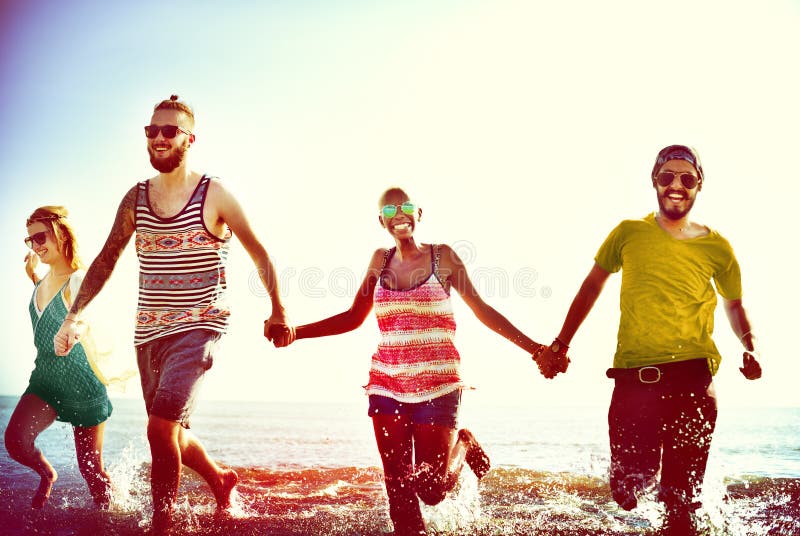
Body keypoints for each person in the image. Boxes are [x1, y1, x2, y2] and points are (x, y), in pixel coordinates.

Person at [53, 95, 292, 531]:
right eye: (152, 130)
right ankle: (220, 478)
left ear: (189, 139)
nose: (159, 138)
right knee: (173, 430)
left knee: (160, 432)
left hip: (200, 326)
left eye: (169, 131)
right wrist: (74, 316)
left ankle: (161, 527)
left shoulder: (214, 193)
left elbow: (259, 252)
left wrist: (278, 308)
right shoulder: (136, 198)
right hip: (149, 333)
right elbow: (107, 258)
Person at [275, 187, 547, 535]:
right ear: (381, 220)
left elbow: (483, 311)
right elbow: (353, 317)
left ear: (419, 214)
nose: (398, 214)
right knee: (399, 494)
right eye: (389, 210)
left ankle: (464, 442)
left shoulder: (442, 257)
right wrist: (296, 331)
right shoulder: (380, 259)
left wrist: (535, 349)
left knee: (432, 490)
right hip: (387, 383)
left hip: (438, 384)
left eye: (405, 207)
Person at [536, 144, 763, 534]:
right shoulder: (628, 233)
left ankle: (679, 506)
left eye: (687, 179)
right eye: (667, 177)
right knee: (627, 490)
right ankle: (658, 493)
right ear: (654, 182)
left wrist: (749, 346)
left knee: (680, 507)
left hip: (693, 380)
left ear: (699, 186)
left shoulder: (718, 247)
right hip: (633, 381)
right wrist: (561, 344)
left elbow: (735, 304)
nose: (677, 185)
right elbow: (591, 287)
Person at [5, 206, 113, 509]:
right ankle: (46, 474)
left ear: (61, 235)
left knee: (91, 472)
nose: (36, 245)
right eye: (30, 241)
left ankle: (111, 520)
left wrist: (73, 331)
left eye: (41, 237)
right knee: (15, 442)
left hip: (82, 384)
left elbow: (80, 315)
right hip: (46, 380)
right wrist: (33, 276)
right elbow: (47, 306)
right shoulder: (40, 282)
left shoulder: (79, 279)